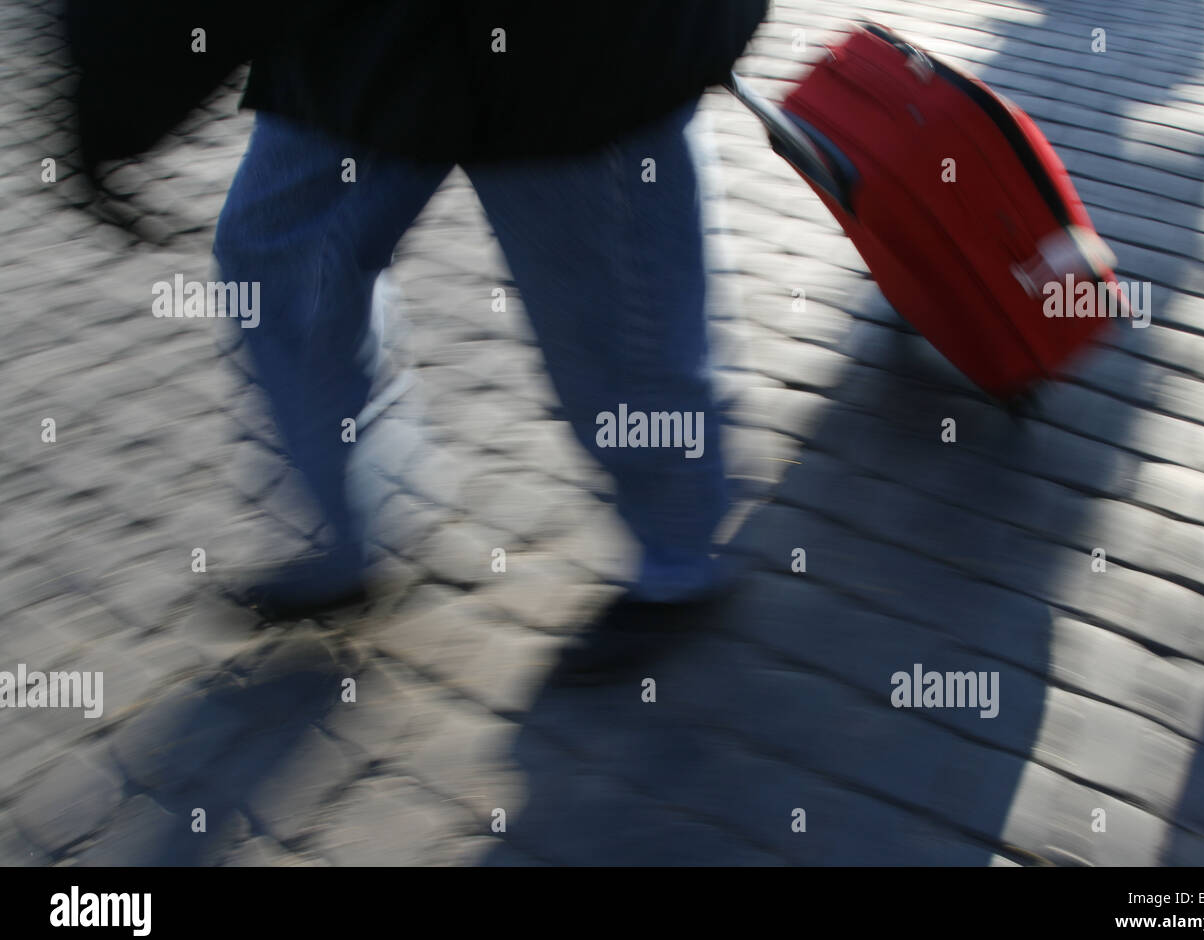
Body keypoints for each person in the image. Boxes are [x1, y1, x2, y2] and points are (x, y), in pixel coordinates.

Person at [67, 1, 768, 683]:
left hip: (569, 45)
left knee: (616, 319)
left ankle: (679, 562)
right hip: (371, 33)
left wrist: (116, 82)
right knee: (278, 255)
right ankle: (349, 541)